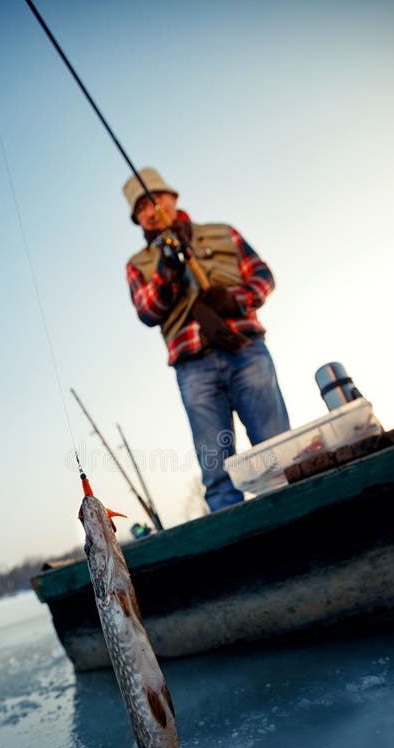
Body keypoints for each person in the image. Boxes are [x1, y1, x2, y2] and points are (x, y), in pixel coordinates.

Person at [123, 167, 290, 512]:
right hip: (192, 366)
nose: (151, 211)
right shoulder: (139, 263)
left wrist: (236, 300)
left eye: (154, 200)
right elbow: (148, 310)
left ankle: (294, 514)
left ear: (172, 197)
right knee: (217, 472)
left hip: (247, 350)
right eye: (141, 209)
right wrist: (167, 267)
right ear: (138, 220)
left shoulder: (221, 233)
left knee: (279, 453)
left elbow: (263, 276)